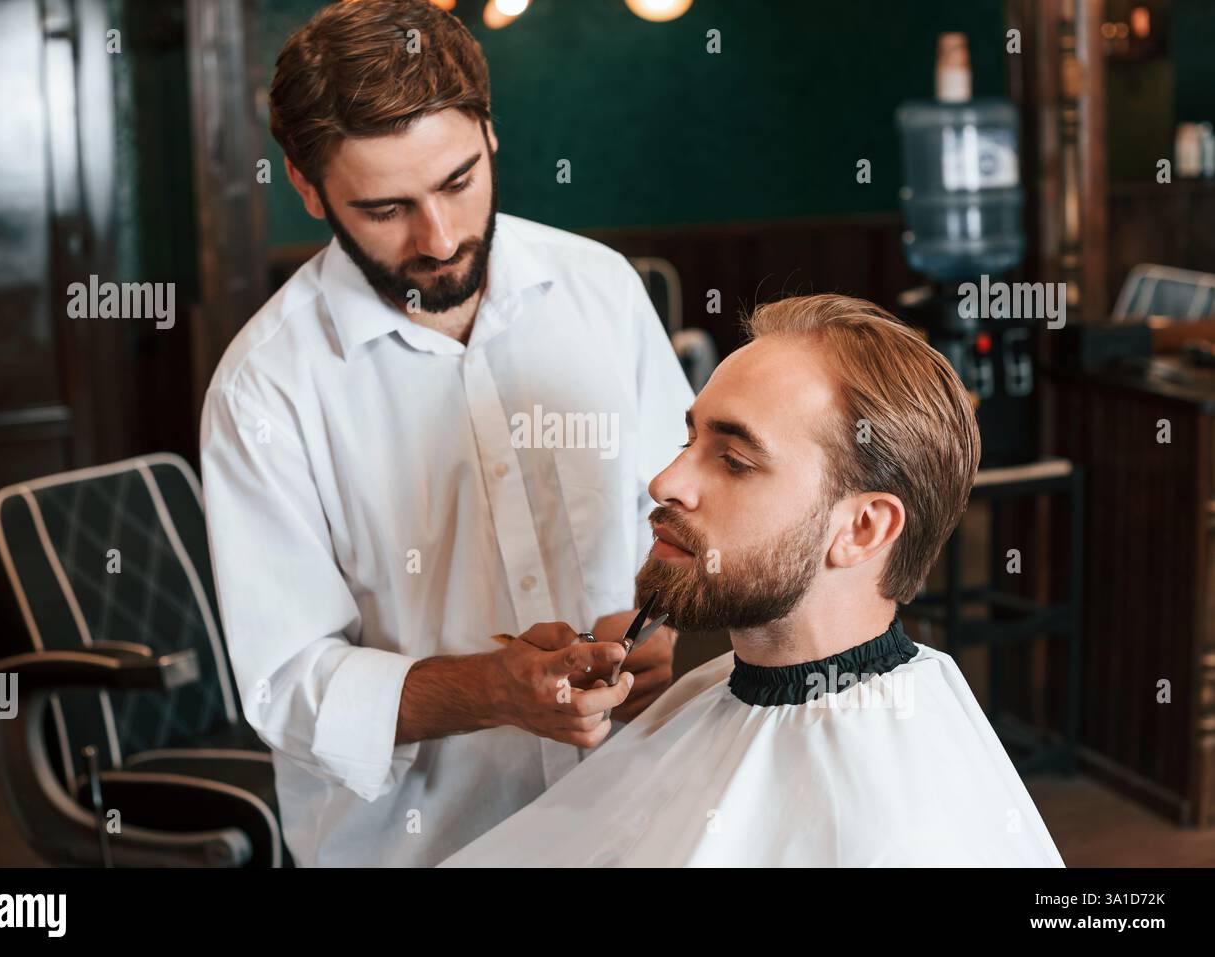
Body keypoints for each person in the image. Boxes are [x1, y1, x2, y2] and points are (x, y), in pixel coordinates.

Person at [200, 0, 690, 866]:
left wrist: (660, 622)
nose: (441, 238)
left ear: (490, 134)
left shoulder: (602, 291)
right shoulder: (264, 387)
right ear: (308, 188)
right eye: (387, 208)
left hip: (635, 816)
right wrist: (492, 692)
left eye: (458, 182)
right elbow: (289, 683)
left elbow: (677, 515)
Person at [442, 294, 1065, 867]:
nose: (665, 483)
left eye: (736, 462)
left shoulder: (906, 833)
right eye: (689, 439)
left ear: (863, 529)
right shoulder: (716, 692)